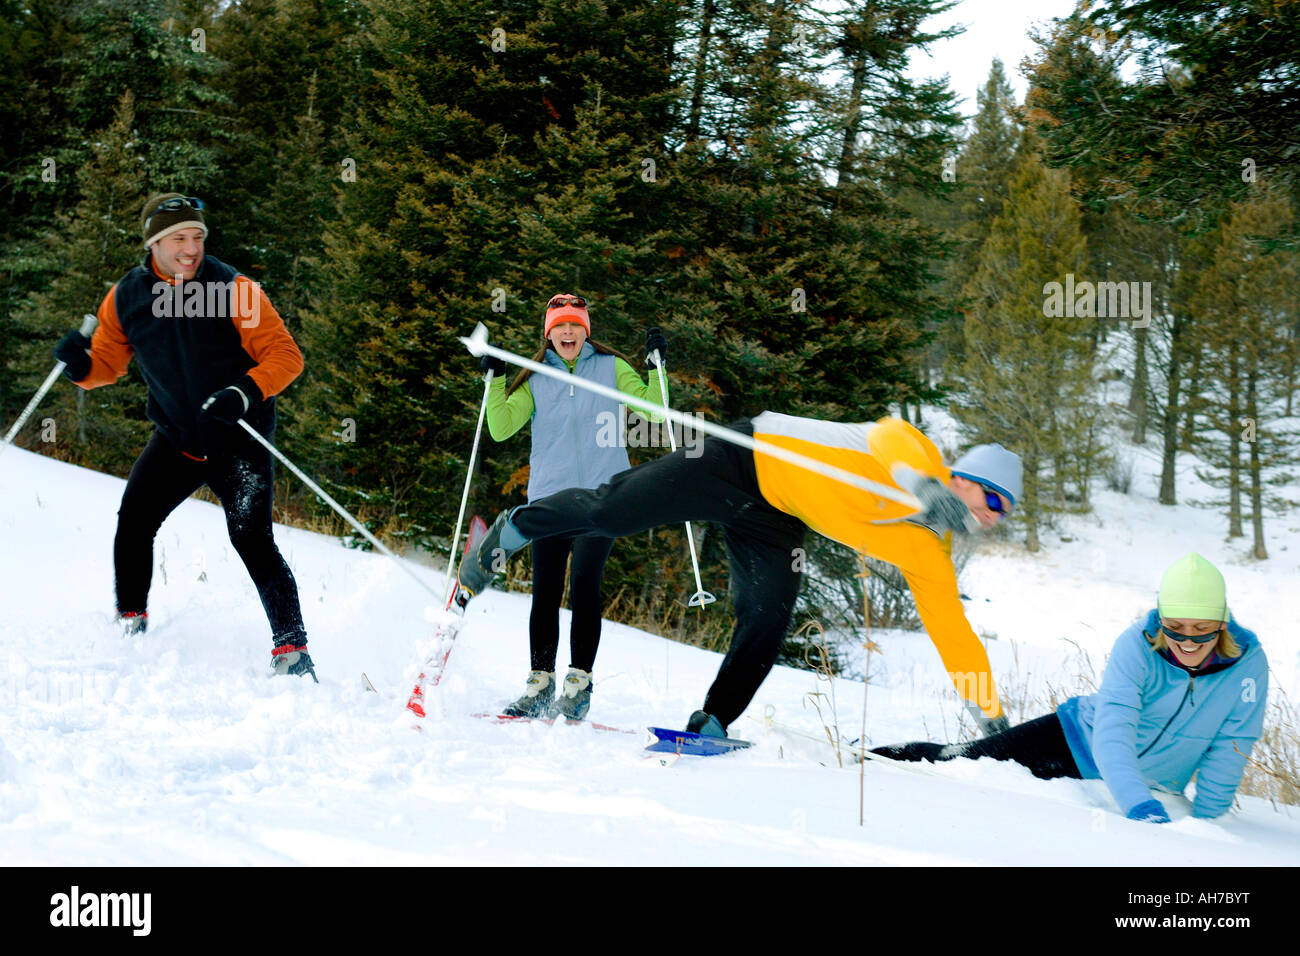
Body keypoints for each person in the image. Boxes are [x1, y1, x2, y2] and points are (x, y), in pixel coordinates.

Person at [459, 407, 1023, 738]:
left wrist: (992, 720)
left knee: (769, 612)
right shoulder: (916, 457)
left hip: (776, 519)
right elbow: (889, 435)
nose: (991, 519)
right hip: (740, 456)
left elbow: (954, 633)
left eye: (1003, 515)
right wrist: (922, 484)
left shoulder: (930, 551)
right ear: (966, 479)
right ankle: (514, 530)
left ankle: (713, 722)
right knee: (611, 512)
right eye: (994, 503)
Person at [52, 193, 315, 680]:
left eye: (197, 237)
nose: (191, 248)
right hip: (178, 439)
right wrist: (80, 366)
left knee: (251, 538)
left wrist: (244, 391)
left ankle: (292, 652)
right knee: (133, 521)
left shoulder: (234, 289)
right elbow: (106, 365)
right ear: (154, 243)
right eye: (178, 238)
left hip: (238, 436)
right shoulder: (127, 296)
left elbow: (285, 355)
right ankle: (131, 624)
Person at [870, 552, 1269, 822]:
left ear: (1222, 623)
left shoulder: (1248, 666)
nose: (1187, 642)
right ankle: (864, 759)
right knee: (959, 763)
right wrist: (1137, 804)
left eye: (1202, 631)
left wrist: (1207, 825)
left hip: (1158, 784)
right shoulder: (1137, 645)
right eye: (1175, 628)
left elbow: (1232, 745)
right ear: (1160, 619)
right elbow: (1114, 729)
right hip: (1077, 738)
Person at [477, 294, 668, 719]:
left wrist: (657, 368)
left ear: (586, 331)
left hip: (602, 498)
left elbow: (655, 413)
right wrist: (493, 380)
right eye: (560, 326)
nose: (568, 333)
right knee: (545, 591)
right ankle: (539, 683)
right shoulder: (536, 376)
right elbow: (501, 427)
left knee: (585, 584)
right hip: (549, 499)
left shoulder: (610, 368)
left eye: (575, 325)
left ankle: (578, 683)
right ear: (549, 334)